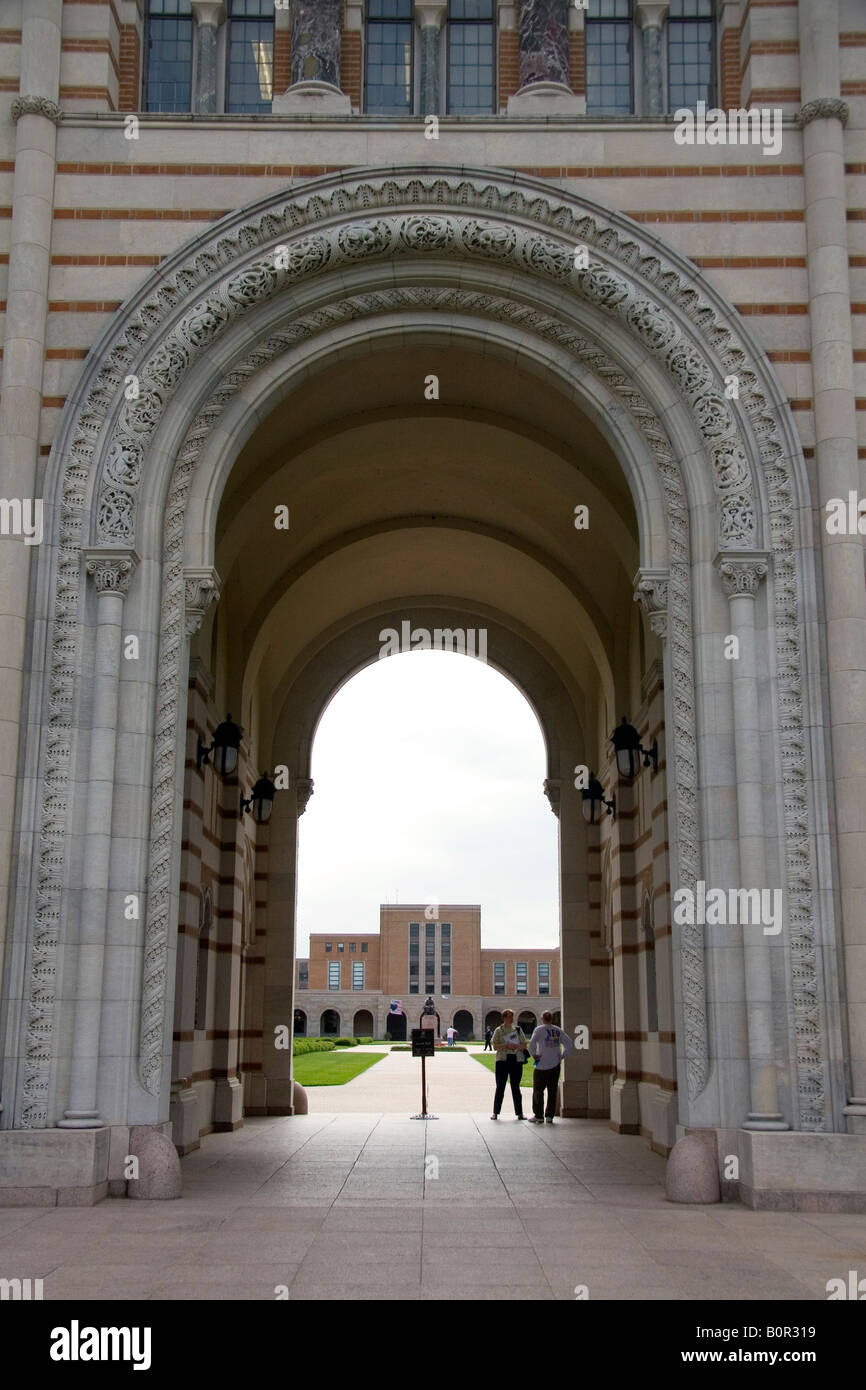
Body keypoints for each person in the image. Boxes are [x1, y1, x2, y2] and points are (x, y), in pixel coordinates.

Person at [527, 1011, 574, 1123]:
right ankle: (549, 1116)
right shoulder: (558, 1030)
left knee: (538, 1091)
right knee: (552, 1091)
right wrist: (562, 1056)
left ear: (542, 1019)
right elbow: (569, 1044)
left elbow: (532, 1044)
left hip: (541, 1065)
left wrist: (534, 1055)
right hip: (555, 1064)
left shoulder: (538, 1030)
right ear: (551, 1019)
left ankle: (538, 1115)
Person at [489, 1009, 528, 1120]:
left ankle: (520, 1113)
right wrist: (506, 1045)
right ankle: (495, 1113)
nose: (512, 1019)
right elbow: (495, 1046)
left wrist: (515, 1046)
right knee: (500, 1087)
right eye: (510, 1016)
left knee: (516, 1087)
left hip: (515, 1060)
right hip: (502, 1060)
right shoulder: (498, 1030)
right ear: (504, 1017)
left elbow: (524, 1045)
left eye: (512, 1016)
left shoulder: (518, 1030)